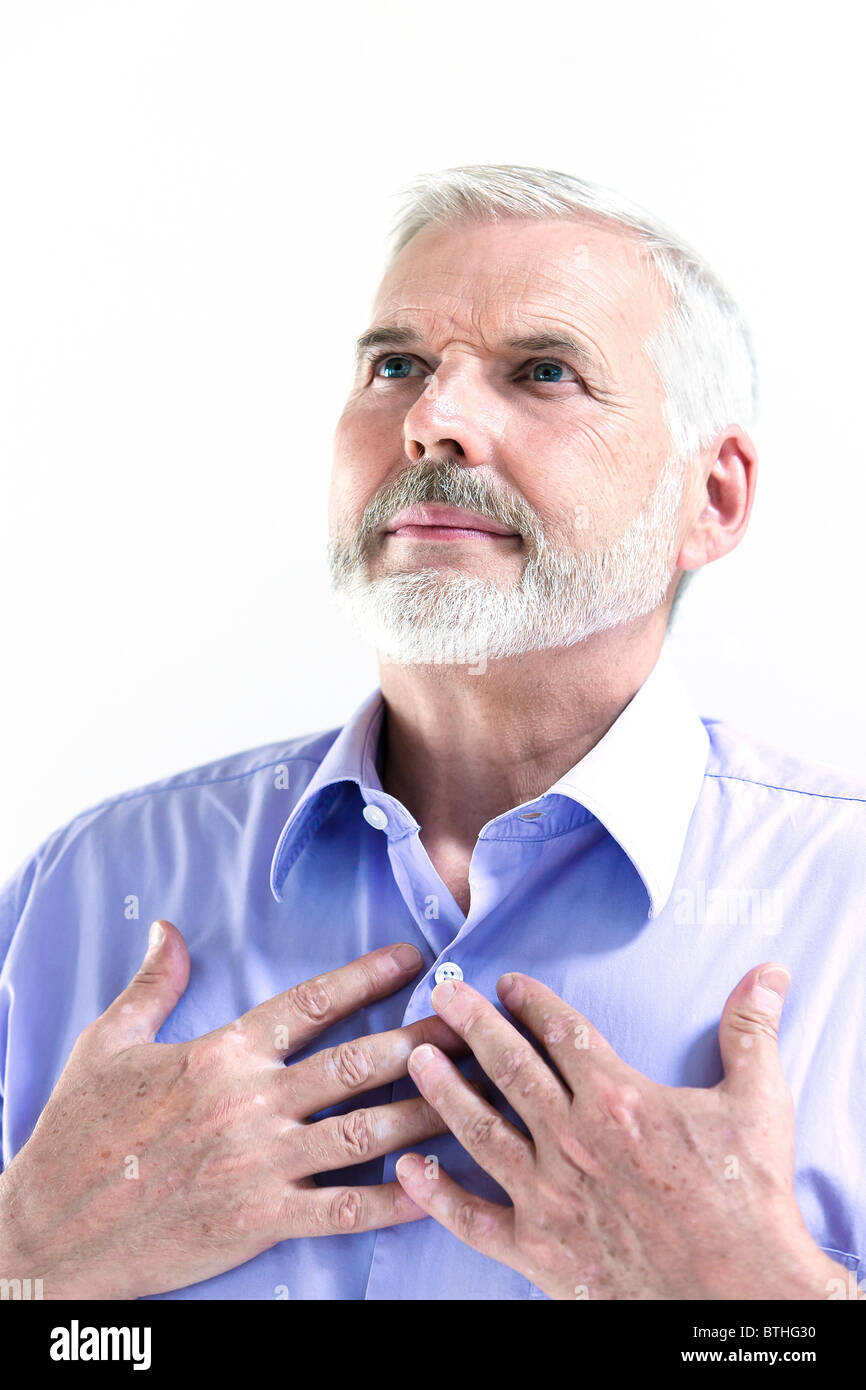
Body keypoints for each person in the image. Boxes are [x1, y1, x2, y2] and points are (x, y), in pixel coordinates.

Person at [0, 165, 863, 1302]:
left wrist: (758, 1305)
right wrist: (26, 1260)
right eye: (395, 365)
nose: (429, 420)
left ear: (710, 498)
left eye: (542, 372)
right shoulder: (89, 884)